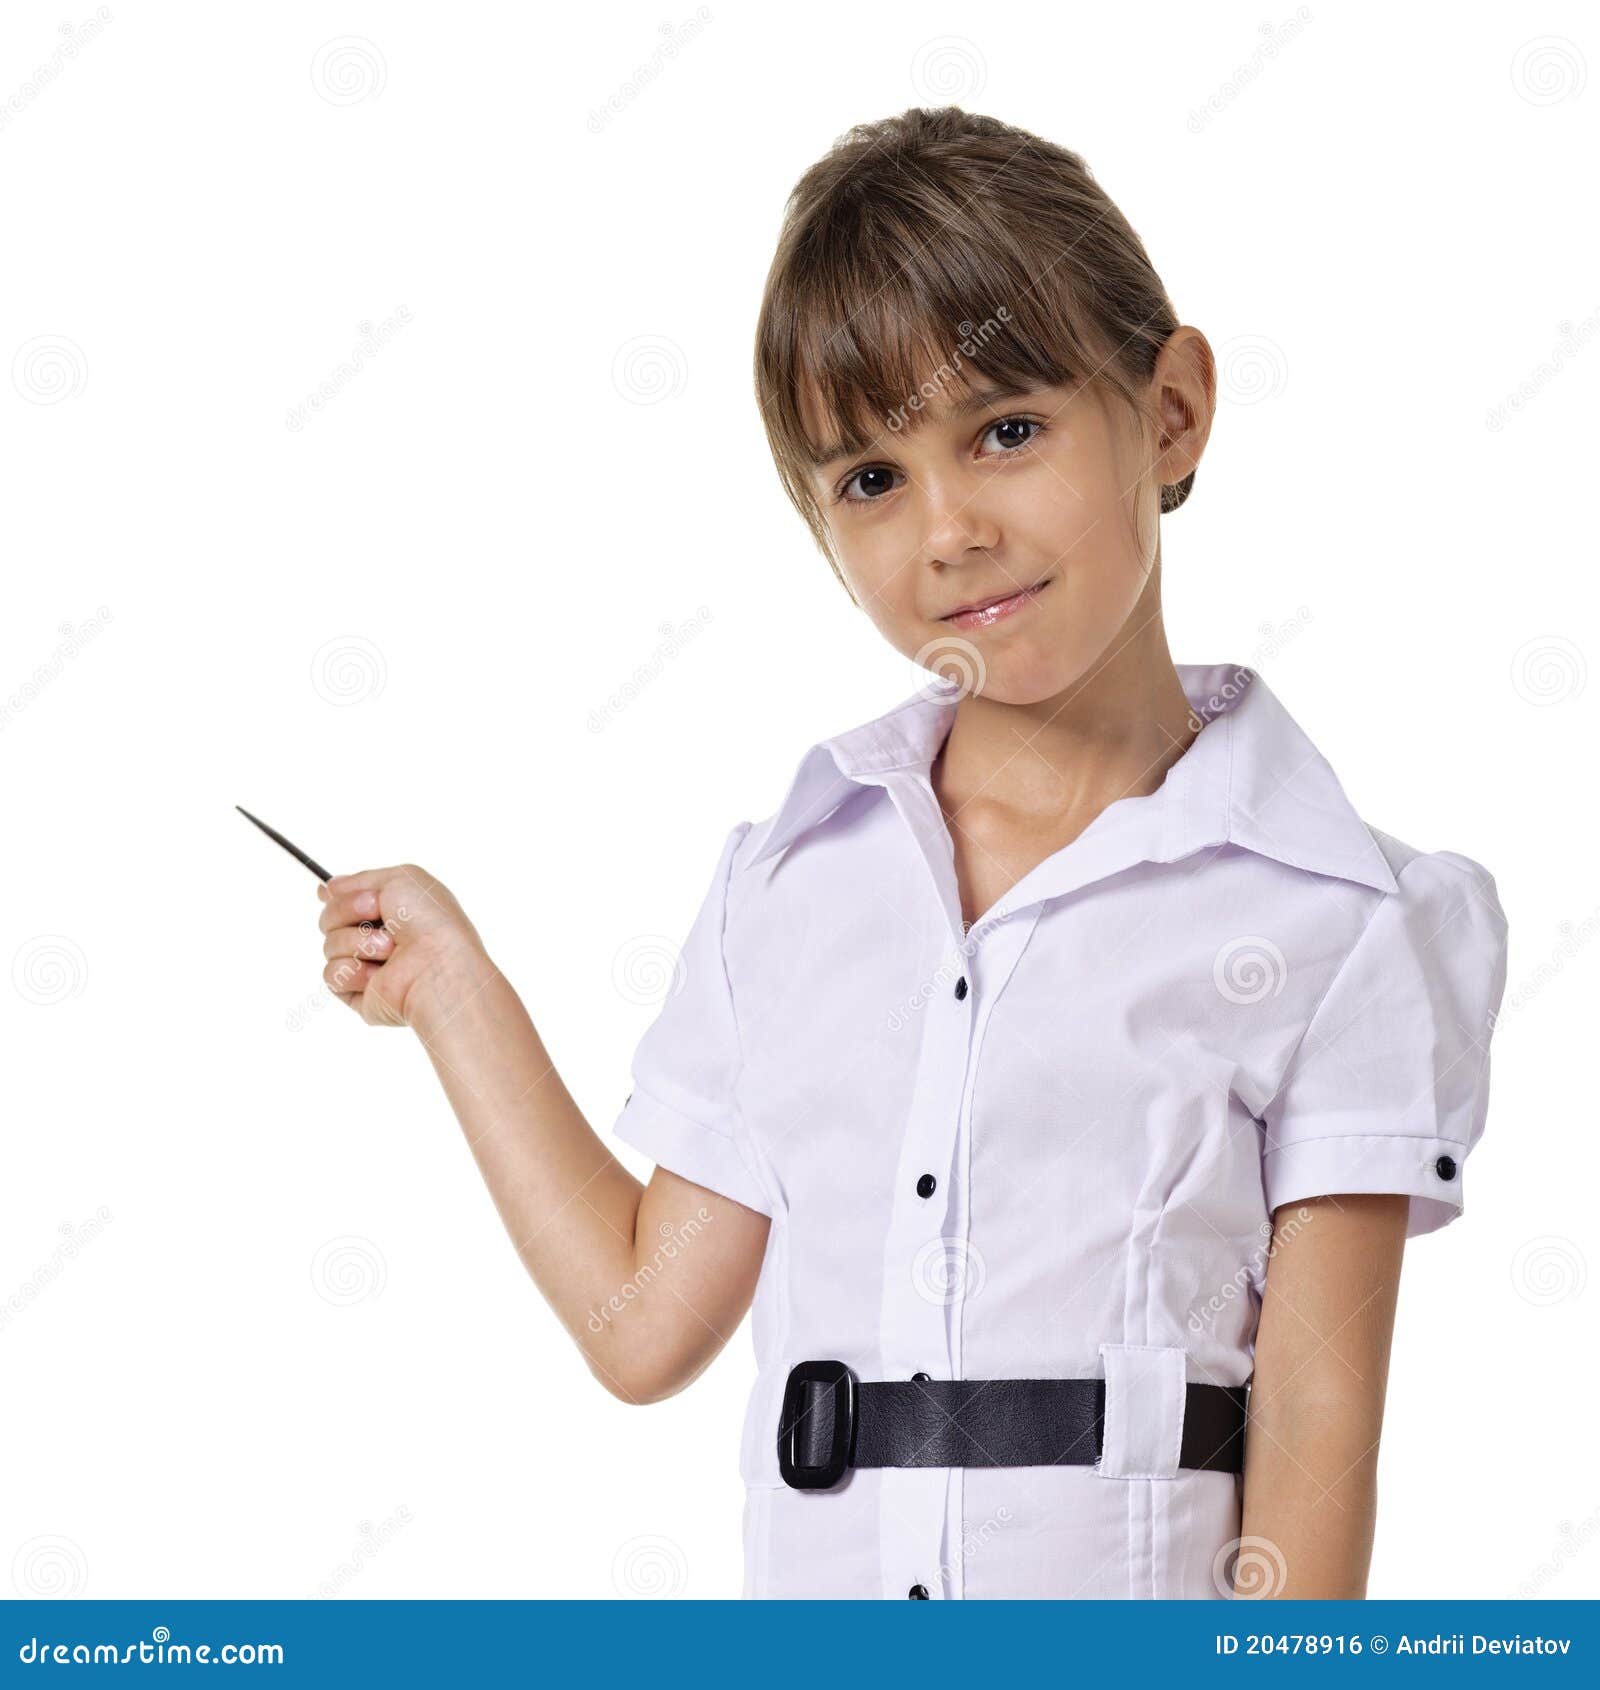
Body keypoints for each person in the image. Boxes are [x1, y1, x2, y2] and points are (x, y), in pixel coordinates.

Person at [312, 107, 1509, 1599]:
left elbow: (1318, 1427)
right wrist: (450, 987)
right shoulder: (793, 887)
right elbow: (642, 1322)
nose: (947, 531)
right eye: (871, 479)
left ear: (1173, 410)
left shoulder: (1341, 914)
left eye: (1006, 431)